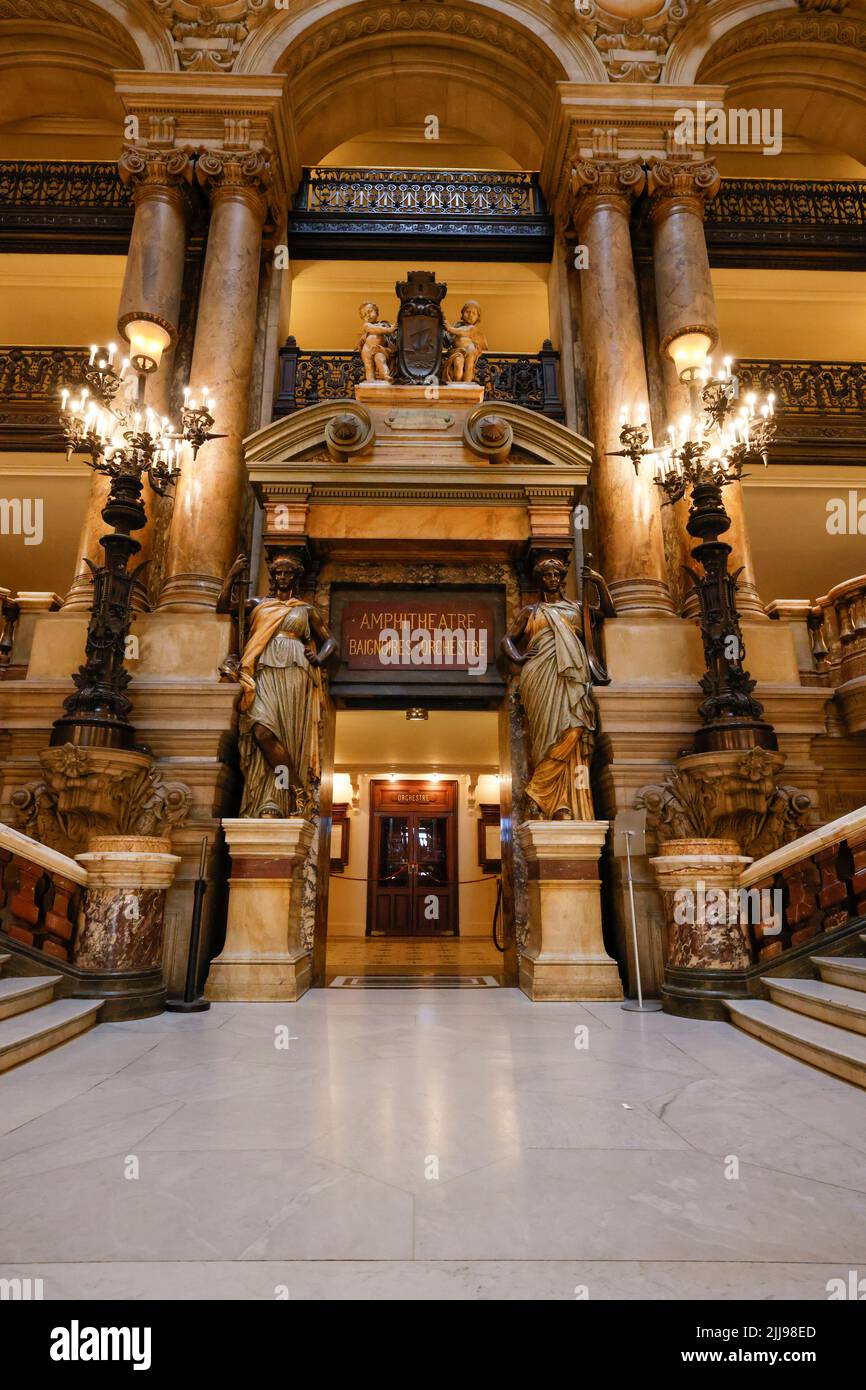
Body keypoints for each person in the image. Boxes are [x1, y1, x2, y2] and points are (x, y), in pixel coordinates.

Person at [217, 551, 337, 818]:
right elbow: (224, 606)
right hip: (264, 670)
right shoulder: (260, 603)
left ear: (295, 578)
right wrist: (231, 576)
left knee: (287, 737)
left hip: (295, 674)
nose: (282, 577)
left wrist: (318, 657)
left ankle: (279, 798)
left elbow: (331, 642)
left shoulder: (305, 610)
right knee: (262, 732)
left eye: (287, 573)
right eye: (278, 573)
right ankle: (299, 790)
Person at [501, 555, 611, 820]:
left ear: (561, 579)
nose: (552, 580)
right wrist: (518, 657)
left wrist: (599, 582)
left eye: (556, 576)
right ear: (541, 580)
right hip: (540, 675)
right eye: (547, 576)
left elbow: (608, 613)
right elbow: (507, 639)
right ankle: (551, 800)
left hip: (571, 677)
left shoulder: (576, 608)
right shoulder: (531, 612)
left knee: (573, 727)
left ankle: (538, 793)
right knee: (544, 736)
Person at [443, 300, 487, 383]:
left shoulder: (472, 328)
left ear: (478, 317)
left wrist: (449, 328)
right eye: (467, 312)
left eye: (474, 313)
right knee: (458, 363)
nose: (470, 315)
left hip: (470, 351)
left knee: (469, 366)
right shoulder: (457, 325)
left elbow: (462, 332)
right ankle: (458, 383)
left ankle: (467, 383)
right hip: (458, 351)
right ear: (462, 313)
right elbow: (447, 340)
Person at [357, 301, 395, 382]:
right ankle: (371, 380)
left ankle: (386, 375)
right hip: (367, 349)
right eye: (364, 315)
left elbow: (392, 330)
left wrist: (393, 328)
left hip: (378, 349)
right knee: (369, 366)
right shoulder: (366, 325)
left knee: (380, 359)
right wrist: (389, 330)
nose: (368, 315)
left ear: (377, 313)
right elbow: (375, 329)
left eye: (370, 311)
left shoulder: (384, 324)